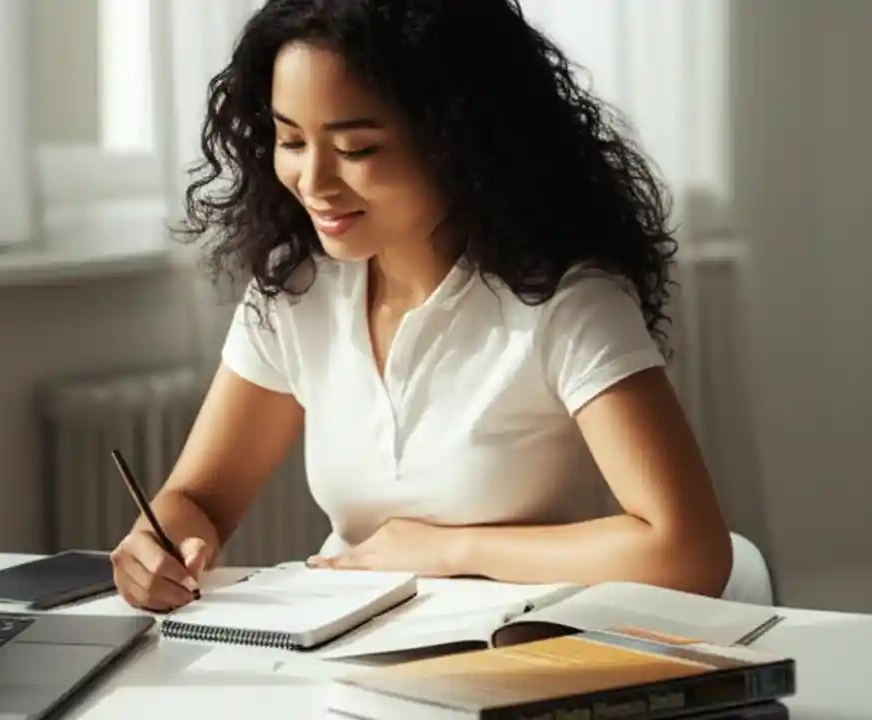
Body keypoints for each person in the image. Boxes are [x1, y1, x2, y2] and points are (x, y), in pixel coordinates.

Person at [109, 0, 733, 612]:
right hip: (344, 650)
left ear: (458, 141)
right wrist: (154, 545)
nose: (314, 181)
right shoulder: (296, 293)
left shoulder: (566, 304)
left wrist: (451, 549)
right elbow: (199, 500)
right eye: (291, 140)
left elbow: (687, 550)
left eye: (356, 149)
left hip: (518, 653)